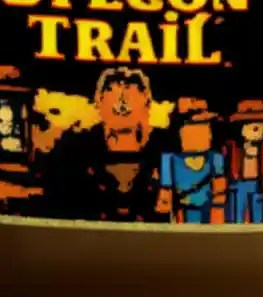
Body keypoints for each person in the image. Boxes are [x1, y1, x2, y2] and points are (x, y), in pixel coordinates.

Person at [33, 68, 170, 222]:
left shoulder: (164, 147)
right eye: (115, 101)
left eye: (129, 100)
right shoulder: (74, 149)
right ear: (98, 101)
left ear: (147, 103)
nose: (122, 106)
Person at [157, 100, 227, 224]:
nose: (206, 134)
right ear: (181, 131)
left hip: (208, 213)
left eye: (206, 127)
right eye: (197, 127)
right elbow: (165, 191)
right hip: (181, 213)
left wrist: (218, 213)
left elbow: (219, 186)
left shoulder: (214, 158)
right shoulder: (170, 159)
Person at [223, 100, 263, 224]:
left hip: (257, 183)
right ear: (242, 129)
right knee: (237, 214)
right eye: (253, 128)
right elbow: (226, 164)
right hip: (238, 183)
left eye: (260, 127)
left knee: (258, 214)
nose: (257, 131)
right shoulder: (233, 147)